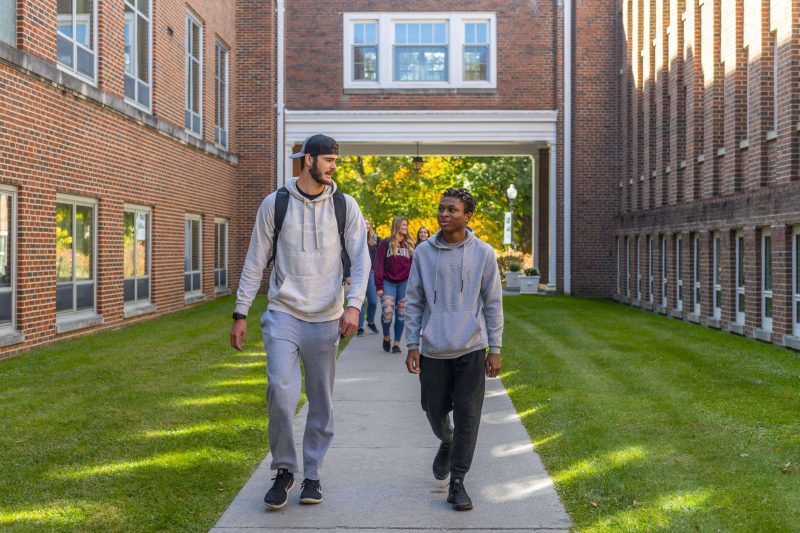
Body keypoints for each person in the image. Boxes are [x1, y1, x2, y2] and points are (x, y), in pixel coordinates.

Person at [230, 134, 370, 510]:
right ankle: (284, 470)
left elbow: (361, 260)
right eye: (328, 160)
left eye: (336, 161)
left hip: (327, 317)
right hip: (284, 313)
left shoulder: (345, 205)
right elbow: (255, 259)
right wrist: (241, 312)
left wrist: (354, 306)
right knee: (280, 390)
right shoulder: (275, 204)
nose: (333, 167)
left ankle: (313, 474)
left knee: (321, 400)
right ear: (308, 160)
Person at [404, 188, 503, 512]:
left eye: (452, 210)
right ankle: (446, 440)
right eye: (441, 209)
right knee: (433, 412)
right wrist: (413, 343)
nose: (444, 214)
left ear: (467, 216)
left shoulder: (484, 253)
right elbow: (414, 300)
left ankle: (458, 482)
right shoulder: (423, 253)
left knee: (468, 417)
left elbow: (493, 303)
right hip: (434, 350)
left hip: (470, 349)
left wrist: (495, 347)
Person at [374, 216, 414, 354]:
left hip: (404, 283)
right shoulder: (385, 243)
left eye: (406, 225)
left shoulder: (409, 244)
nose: (406, 227)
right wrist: (379, 285)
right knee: (387, 312)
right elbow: (378, 264)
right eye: (403, 225)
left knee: (401, 314)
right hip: (388, 282)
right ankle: (386, 336)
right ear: (397, 226)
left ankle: (396, 343)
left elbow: (414, 266)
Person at [357, 218, 380, 336]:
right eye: (363, 223)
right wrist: (348, 274)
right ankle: (360, 327)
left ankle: (370, 322)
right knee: (360, 301)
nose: (366, 225)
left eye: (367, 224)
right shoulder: (355, 238)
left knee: (373, 301)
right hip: (358, 272)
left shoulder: (376, 239)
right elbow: (347, 255)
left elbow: (380, 257)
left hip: (371, 272)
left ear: (370, 226)